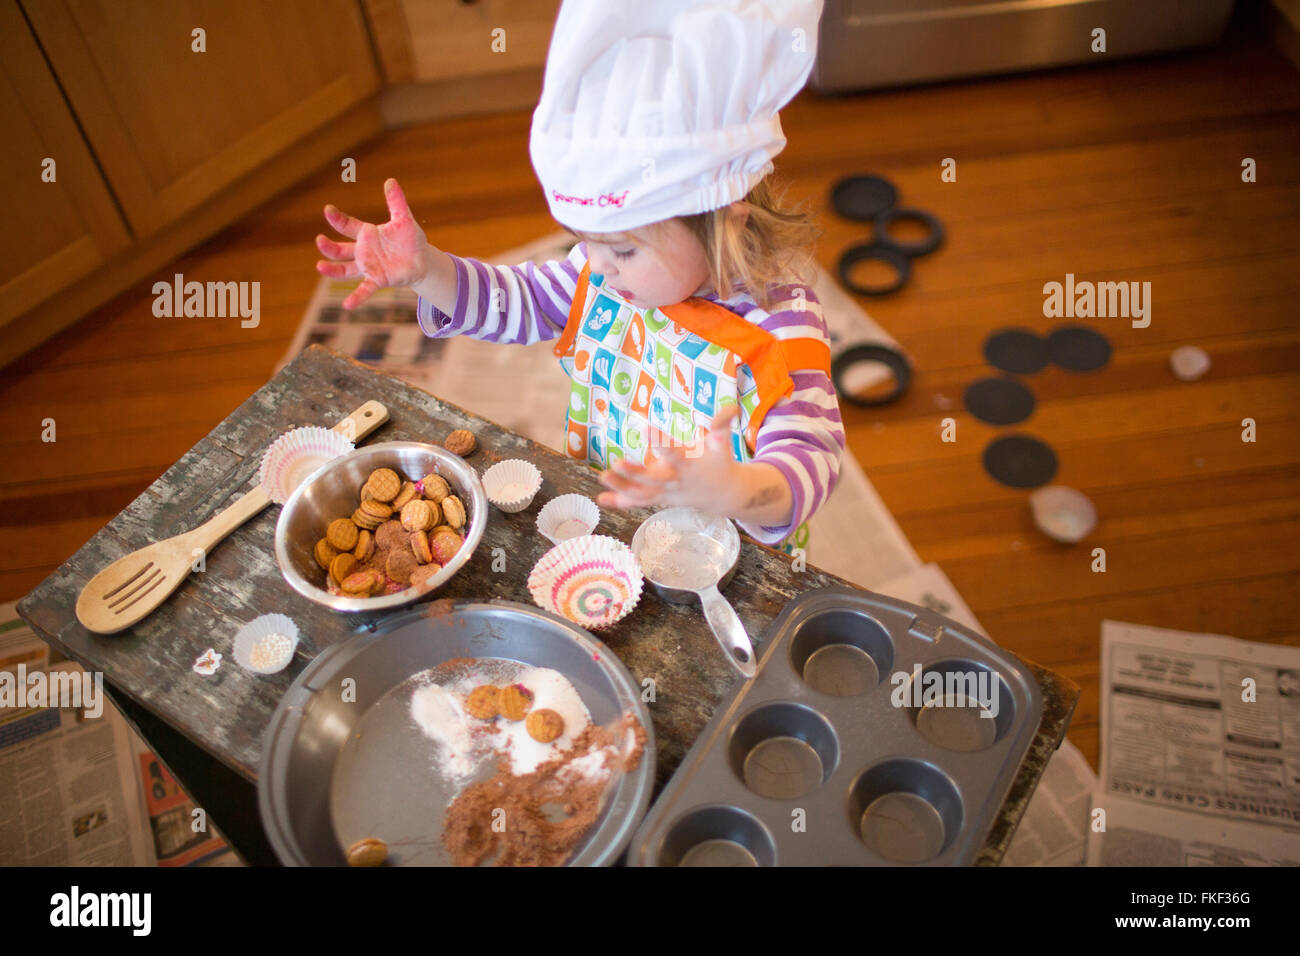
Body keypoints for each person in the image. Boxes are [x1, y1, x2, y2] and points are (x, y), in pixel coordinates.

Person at [315, 0, 841, 555]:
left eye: (621, 249)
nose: (599, 265)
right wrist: (428, 271)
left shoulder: (783, 328)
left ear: (723, 225)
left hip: (728, 559)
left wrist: (731, 489)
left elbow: (810, 464)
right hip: (617, 524)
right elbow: (513, 304)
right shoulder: (605, 273)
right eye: (585, 240)